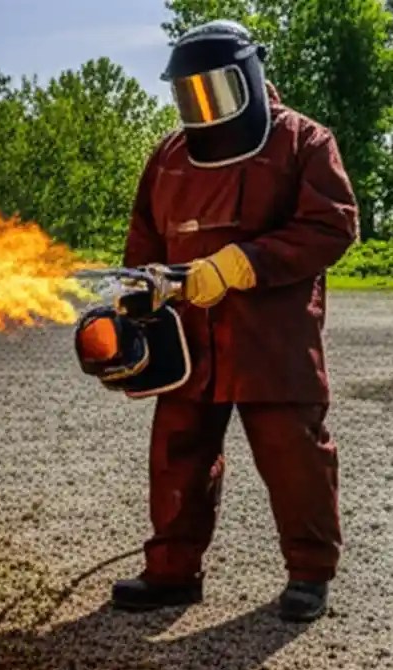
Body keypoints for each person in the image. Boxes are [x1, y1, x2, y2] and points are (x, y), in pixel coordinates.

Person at [111, 19, 359, 623]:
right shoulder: (169, 156)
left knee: (293, 453)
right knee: (178, 451)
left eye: (215, 90)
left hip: (271, 338)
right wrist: (141, 292)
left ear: (249, 76)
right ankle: (172, 572)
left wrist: (241, 264)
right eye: (189, 93)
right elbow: (144, 236)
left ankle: (309, 574)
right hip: (188, 340)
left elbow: (332, 224)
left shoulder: (303, 141)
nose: (203, 107)